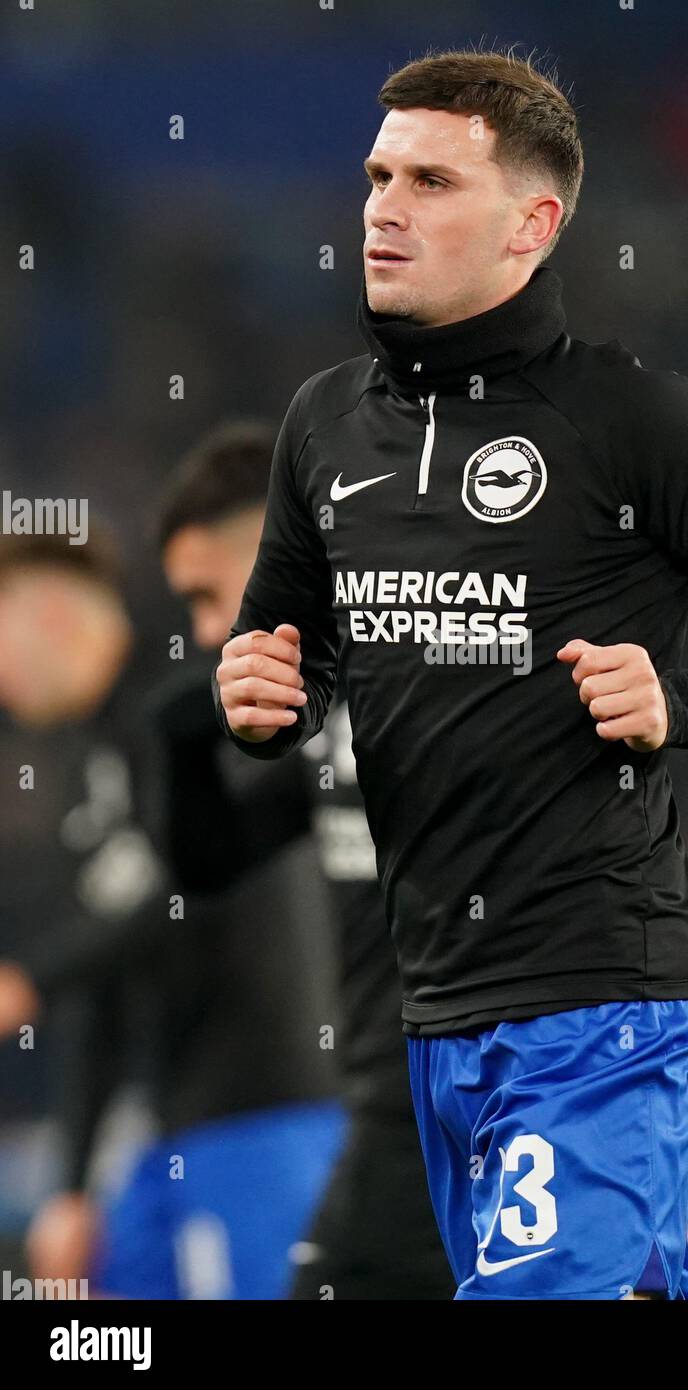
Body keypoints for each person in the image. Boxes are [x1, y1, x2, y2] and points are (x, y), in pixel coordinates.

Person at [212, 48, 688, 1300]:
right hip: (440, 1025)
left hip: (609, 1010)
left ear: (532, 225)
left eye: (428, 179)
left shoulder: (642, 422)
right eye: (375, 174)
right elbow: (282, 659)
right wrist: (257, 701)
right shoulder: (321, 426)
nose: (381, 206)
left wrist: (683, 703)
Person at [0, 530, 346, 1299]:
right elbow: (108, 971)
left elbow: (183, 893)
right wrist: (73, 1185)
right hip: (169, 1133)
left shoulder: (190, 709)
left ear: (48, 614)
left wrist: (31, 981)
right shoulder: (89, 765)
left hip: (265, 1113)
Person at [156, 421, 453, 1298]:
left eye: (211, 595)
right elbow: (215, 860)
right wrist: (178, 736)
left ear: (273, 546)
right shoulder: (321, 707)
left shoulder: (435, 661)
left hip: (487, 1097)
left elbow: (589, 870)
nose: (209, 629)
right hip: (391, 1107)